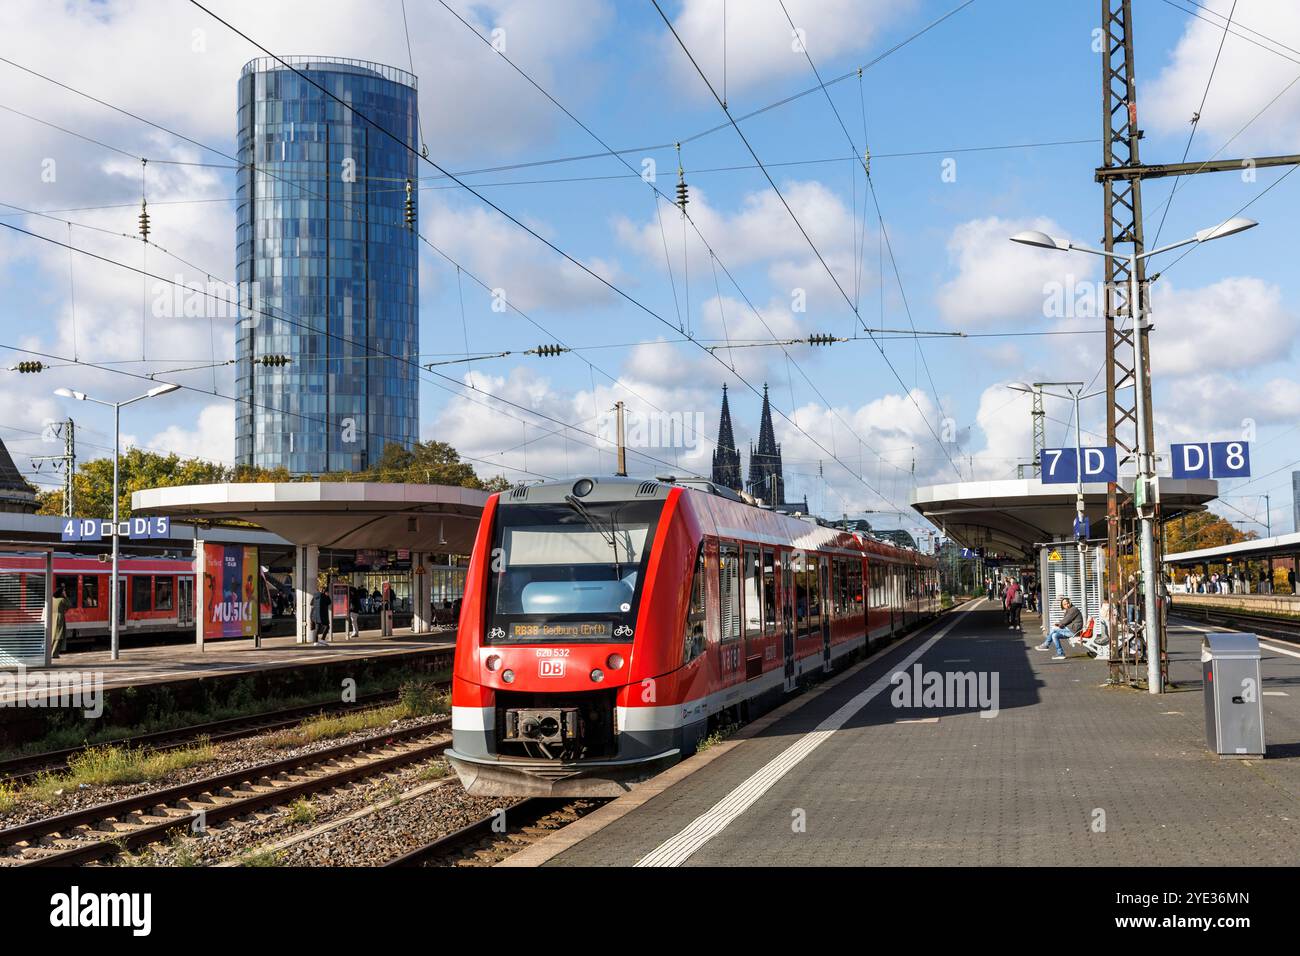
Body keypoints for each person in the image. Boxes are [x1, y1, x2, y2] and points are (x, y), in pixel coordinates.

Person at [50, 583, 69, 660]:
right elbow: (69, 604)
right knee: (58, 635)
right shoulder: (62, 600)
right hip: (59, 619)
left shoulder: (52, 599)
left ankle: (50, 652)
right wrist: (66, 596)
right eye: (63, 591)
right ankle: (54, 653)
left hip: (52, 618)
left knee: (52, 635)